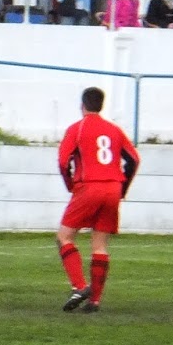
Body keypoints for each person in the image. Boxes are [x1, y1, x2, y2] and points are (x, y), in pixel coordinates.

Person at [56, 86, 139, 313]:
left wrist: (70, 185)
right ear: (101, 105)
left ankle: (79, 286)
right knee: (100, 245)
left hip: (89, 186)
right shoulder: (114, 130)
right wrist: (123, 188)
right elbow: (134, 160)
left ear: (82, 105)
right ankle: (94, 301)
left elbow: (63, 162)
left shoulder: (77, 129)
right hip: (113, 189)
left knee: (64, 237)